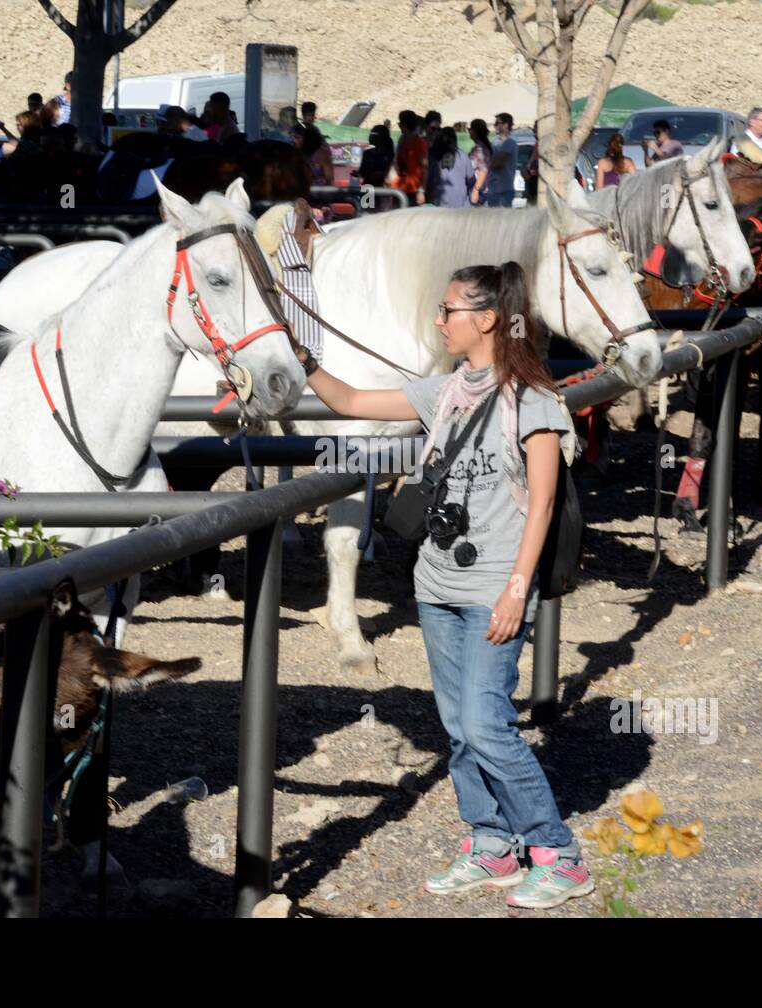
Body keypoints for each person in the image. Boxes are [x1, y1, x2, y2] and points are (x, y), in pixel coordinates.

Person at [292, 262, 590, 910]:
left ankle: (557, 852)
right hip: (435, 583)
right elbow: (350, 402)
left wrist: (516, 590)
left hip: (493, 587)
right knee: (458, 725)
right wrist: (301, 357)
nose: (439, 320)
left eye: (449, 309)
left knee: (487, 724)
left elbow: (540, 505)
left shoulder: (532, 398)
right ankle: (491, 843)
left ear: (485, 318)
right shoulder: (445, 392)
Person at [427, 126, 475, 208]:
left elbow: (428, 180)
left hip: (439, 204)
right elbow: (471, 180)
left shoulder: (432, 155)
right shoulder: (462, 155)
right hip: (461, 204)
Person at [393, 109, 428, 206]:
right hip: (399, 188)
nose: (398, 125)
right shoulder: (402, 140)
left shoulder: (419, 142)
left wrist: (421, 191)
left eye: (400, 122)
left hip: (414, 191)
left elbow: (425, 168)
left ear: (405, 125)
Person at [485, 112, 519, 207]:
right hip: (494, 189)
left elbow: (496, 163)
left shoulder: (510, 142)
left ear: (506, 125)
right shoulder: (495, 141)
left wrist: (486, 163)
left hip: (503, 191)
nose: (495, 125)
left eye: (497, 123)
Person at [353, 124, 393, 193]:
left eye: (372, 133)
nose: (369, 136)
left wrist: (380, 174)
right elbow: (362, 172)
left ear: (381, 137)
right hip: (368, 189)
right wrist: (358, 173)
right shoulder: (367, 153)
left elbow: (392, 174)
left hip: (384, 191)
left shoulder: (391, 155)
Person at [467, 118, 492, 205]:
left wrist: (475, 190)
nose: (469, 132)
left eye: (470, 129)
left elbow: (484, 170)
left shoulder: (479, 149)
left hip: (479, 192)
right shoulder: (483, 147)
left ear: (474, 132)